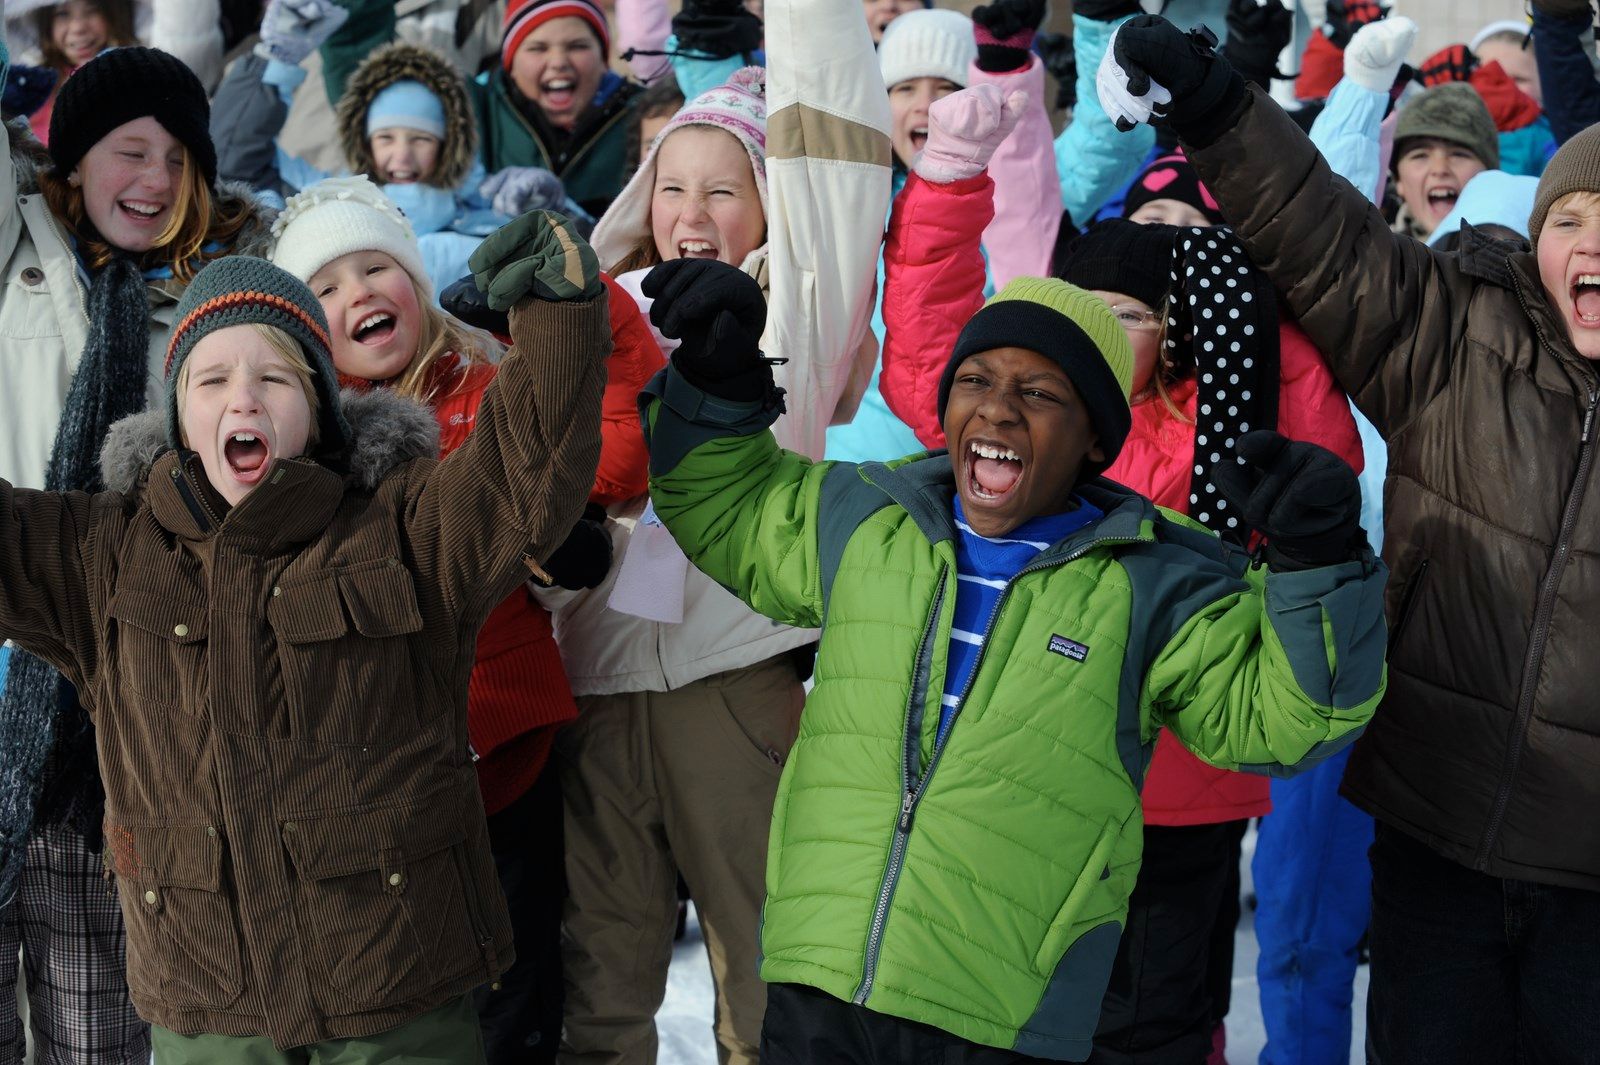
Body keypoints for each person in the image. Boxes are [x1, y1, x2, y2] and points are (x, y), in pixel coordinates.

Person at [637, 256, 1386, 1063]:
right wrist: (719, 376)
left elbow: (1287, 721)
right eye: (976, 380)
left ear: (1095, 434)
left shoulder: (1151, 580)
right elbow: (726, 505)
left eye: (1040, 393)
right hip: (821, 977)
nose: (998, 407)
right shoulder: (871, 517)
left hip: (1001, 1012)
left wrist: (1319, 560)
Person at [1101, 15, 1600, 1060]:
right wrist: (1216, 106)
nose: (1590, 245)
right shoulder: (1459, 339)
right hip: (1434, 833)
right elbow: (1318, 233)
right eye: (1570, 220)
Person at [0, 208, 608, 1057]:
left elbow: (527, 473)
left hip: (396, 990)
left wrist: (559, 315)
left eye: (275, 379)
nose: (241, 396)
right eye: (210, 381)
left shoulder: (405, 527)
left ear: (322, 409)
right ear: (179, 418)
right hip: (208, 1003)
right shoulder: (106, 552)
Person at [543, 2, 890, 1055]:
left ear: (770, 205)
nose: (691, 210)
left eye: (723, 188)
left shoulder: (793, 313)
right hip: (598, 688)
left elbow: (833, 173)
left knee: (761, 967)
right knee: (599, 981)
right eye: (671, 185)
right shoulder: (592, 317)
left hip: (730, 688)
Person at [269, 175, 662, 1063]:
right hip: (371, 768)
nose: (358, 293)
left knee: (514, 979)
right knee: (400, 989)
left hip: (503, 744)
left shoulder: (492, 387)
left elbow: (612, 451)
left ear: (416, 278)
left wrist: (589, 310)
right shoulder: (301, 435)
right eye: (326, 288)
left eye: (377, 267)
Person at [0, 39, 273, 1062]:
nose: (154, 180)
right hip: (0, 666)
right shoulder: (15, 253)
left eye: (176, 156)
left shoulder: (217, 303)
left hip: (116, 719)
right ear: (69, 165)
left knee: (98, 1031)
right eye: (127, 151)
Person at [212, 0, 557, 295]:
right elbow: (234, 166)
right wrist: (277, 62)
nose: (402, 156)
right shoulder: (321, 201)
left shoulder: (489, 213)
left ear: (449, 144)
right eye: (385, 138)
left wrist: (553, 210)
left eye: (421, 139)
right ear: (364, 142)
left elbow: (572, 263)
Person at [470, 0, 644, 217]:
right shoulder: (475, 111)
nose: (558, 62)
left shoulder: (645, 116)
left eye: (577, 46)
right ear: (510, 64)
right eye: (538, 48)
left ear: (603, 59)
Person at [1387, 83, 1497, 239]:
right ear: (1399, 182)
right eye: (1420, 155)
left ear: (1491, 176)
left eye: (1459, 154)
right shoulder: (1371, 257)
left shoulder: (1525, 259)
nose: (1440, 169)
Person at [15, 0, 136, 143]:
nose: (78, 27)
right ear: (45, 23)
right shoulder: (28, 85)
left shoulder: (128, 76)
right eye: (63, 14)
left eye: (93, 10)